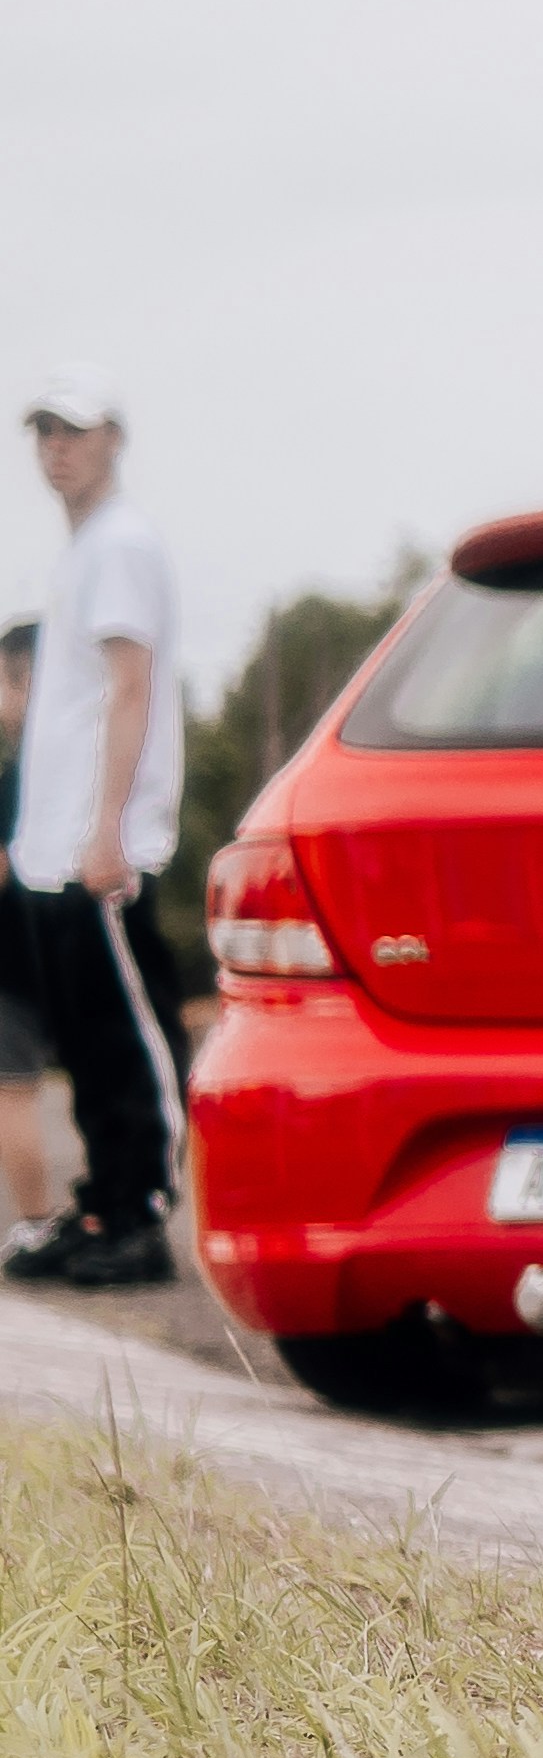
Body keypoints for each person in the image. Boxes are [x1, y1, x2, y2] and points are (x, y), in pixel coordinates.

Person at [7, 380, 183, 1286]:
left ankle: (143, 1210)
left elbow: (131, 687)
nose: (55, 450)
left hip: (97, 844)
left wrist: (109, 827)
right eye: (43, 433)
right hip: (54, 846)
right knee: (80, 1040)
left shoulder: (120, 545)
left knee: (122, 1040)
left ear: (113, 436)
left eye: (71, 432)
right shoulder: (80, 552)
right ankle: (103, 1204)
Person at [0, 626, 56, 1234]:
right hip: (60, 955)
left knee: (11, 1093)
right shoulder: (73, 772)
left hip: (13, 962)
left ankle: (38, 1221)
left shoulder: (21, 778)